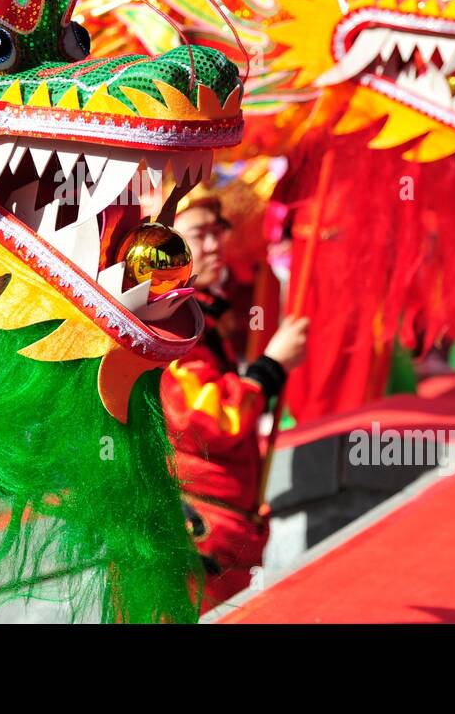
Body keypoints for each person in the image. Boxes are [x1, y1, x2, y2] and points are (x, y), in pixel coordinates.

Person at [160, 185, 309, 612]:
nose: (213, 245)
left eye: (218, 231)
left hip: (225, 523)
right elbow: (206, 419)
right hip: (196, 527)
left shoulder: (199, 313)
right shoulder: (165, 323)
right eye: (198, 233)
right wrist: (270, 369)